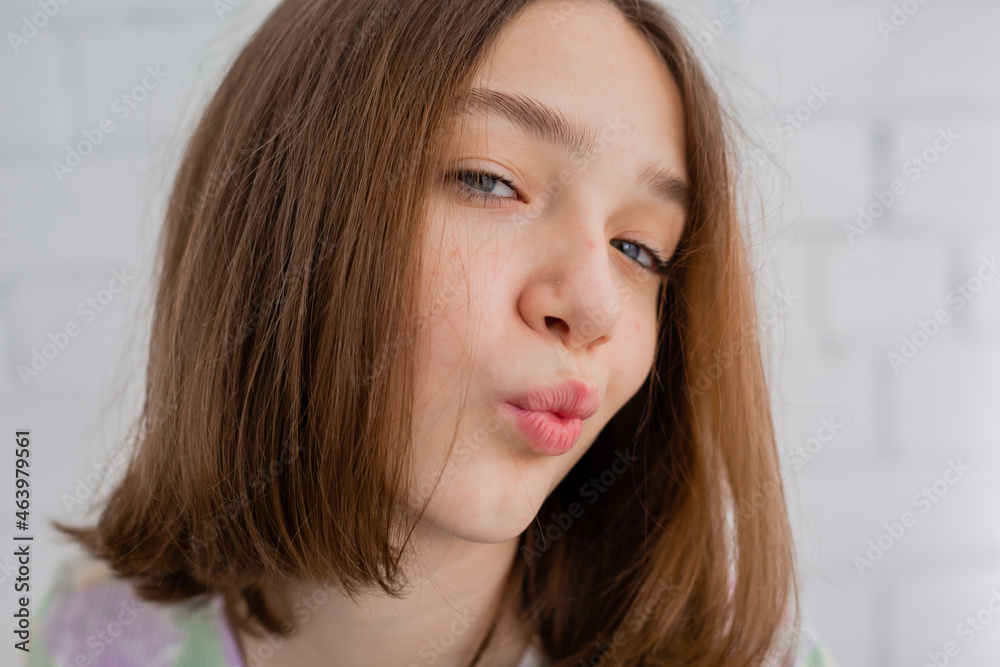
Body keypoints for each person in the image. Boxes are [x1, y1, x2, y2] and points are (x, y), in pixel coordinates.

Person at [30, 0, 840, 665]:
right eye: (491, 180)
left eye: (641, 250)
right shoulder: (87, 632)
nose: (595, 307)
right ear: (286, 222)